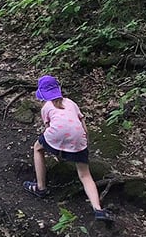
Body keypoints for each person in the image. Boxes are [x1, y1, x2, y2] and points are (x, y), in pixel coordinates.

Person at [24, 74, 111, 221]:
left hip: (56, 135)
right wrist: (85, 144)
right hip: (79, 138)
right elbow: (84, 127)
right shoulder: (71, 103)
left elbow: (49, 129)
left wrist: (58, 152)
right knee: (85, 175)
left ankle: (40, 187)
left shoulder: (46, 107)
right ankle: (98, 209)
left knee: (38, 148)